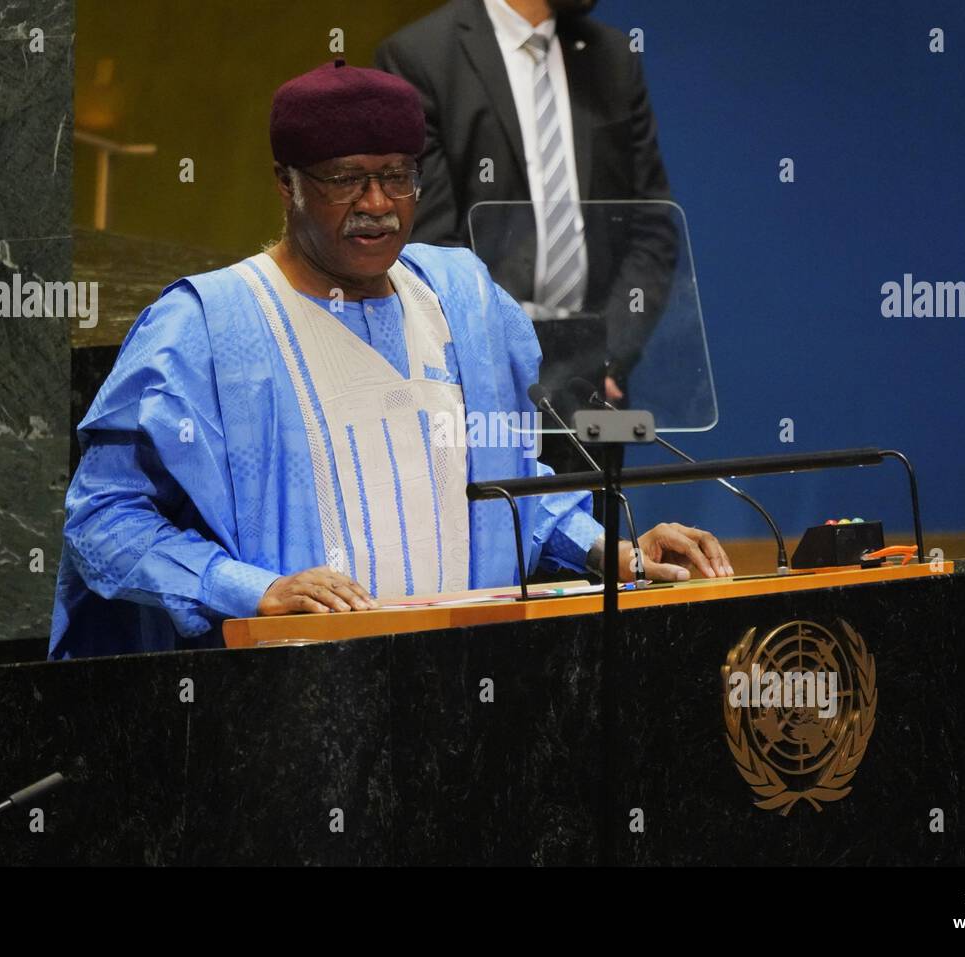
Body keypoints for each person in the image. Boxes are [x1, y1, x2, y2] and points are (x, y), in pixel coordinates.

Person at [48, 61, 730, 659]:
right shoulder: (208, 324)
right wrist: (255, 591)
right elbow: (104, 519)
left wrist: (617, 553)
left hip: (473, 683)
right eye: (346, 179)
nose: (377, 205)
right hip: (292, 706)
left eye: (397, 178)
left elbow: (513, 490)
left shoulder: (462, 296)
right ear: (287, 185)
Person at [375, 0, 678, 457]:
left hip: (592, 385)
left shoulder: (613, 57)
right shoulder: (422, 56)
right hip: (480, 389)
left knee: (597, 531)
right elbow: (429, 239)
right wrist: (502, 359)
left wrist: (611, 353)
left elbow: (651, 223)